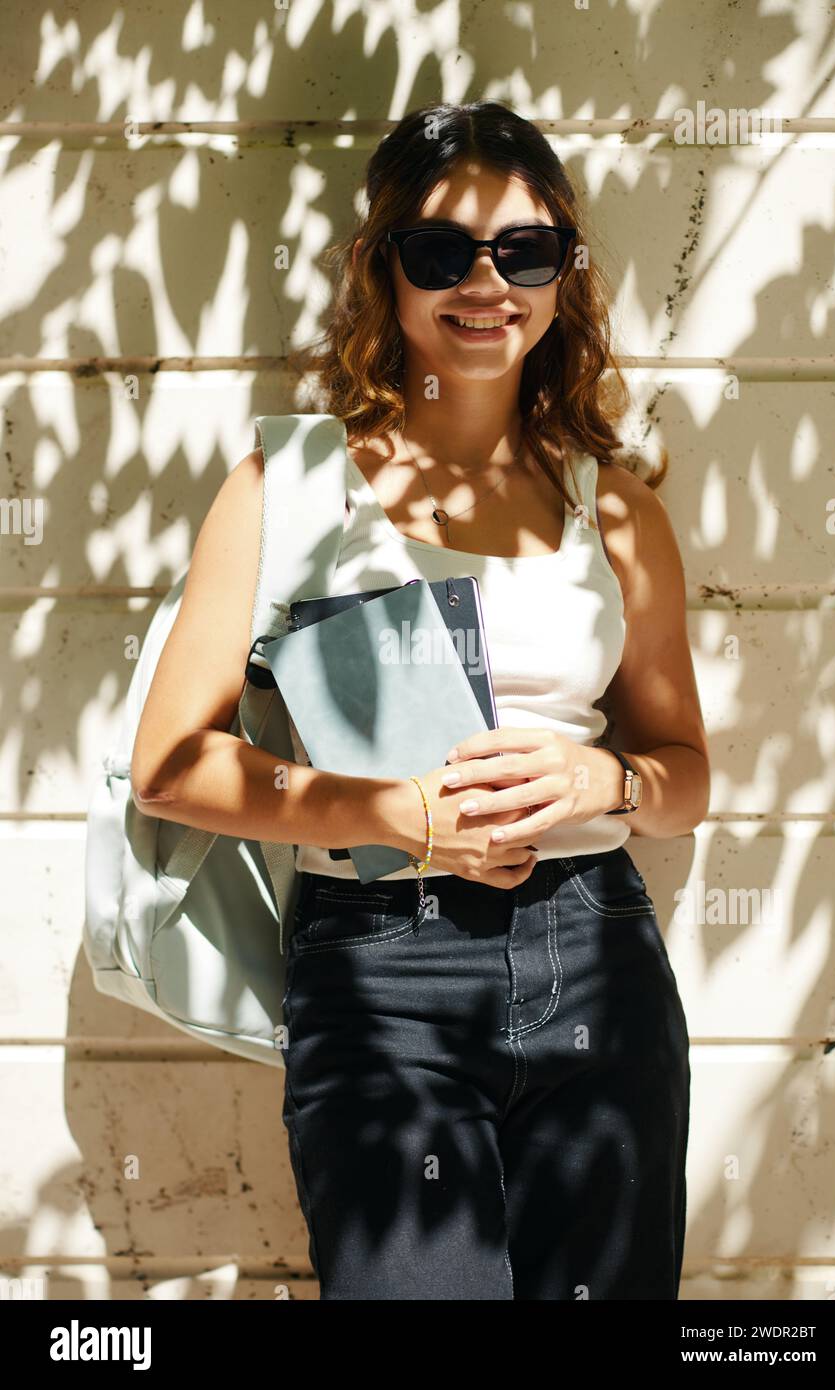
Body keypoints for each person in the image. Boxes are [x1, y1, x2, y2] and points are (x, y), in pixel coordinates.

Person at [131, 99, 710, 1301]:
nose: (484, 283)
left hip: (595, 945)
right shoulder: (286, 488)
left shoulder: (614, 506)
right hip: (378, 964)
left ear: (565, 272)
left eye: (524, 250)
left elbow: (682, 769)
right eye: (441, 251)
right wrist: (397, 813)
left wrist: (610, 780)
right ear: (379, 270)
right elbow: (171, 763)